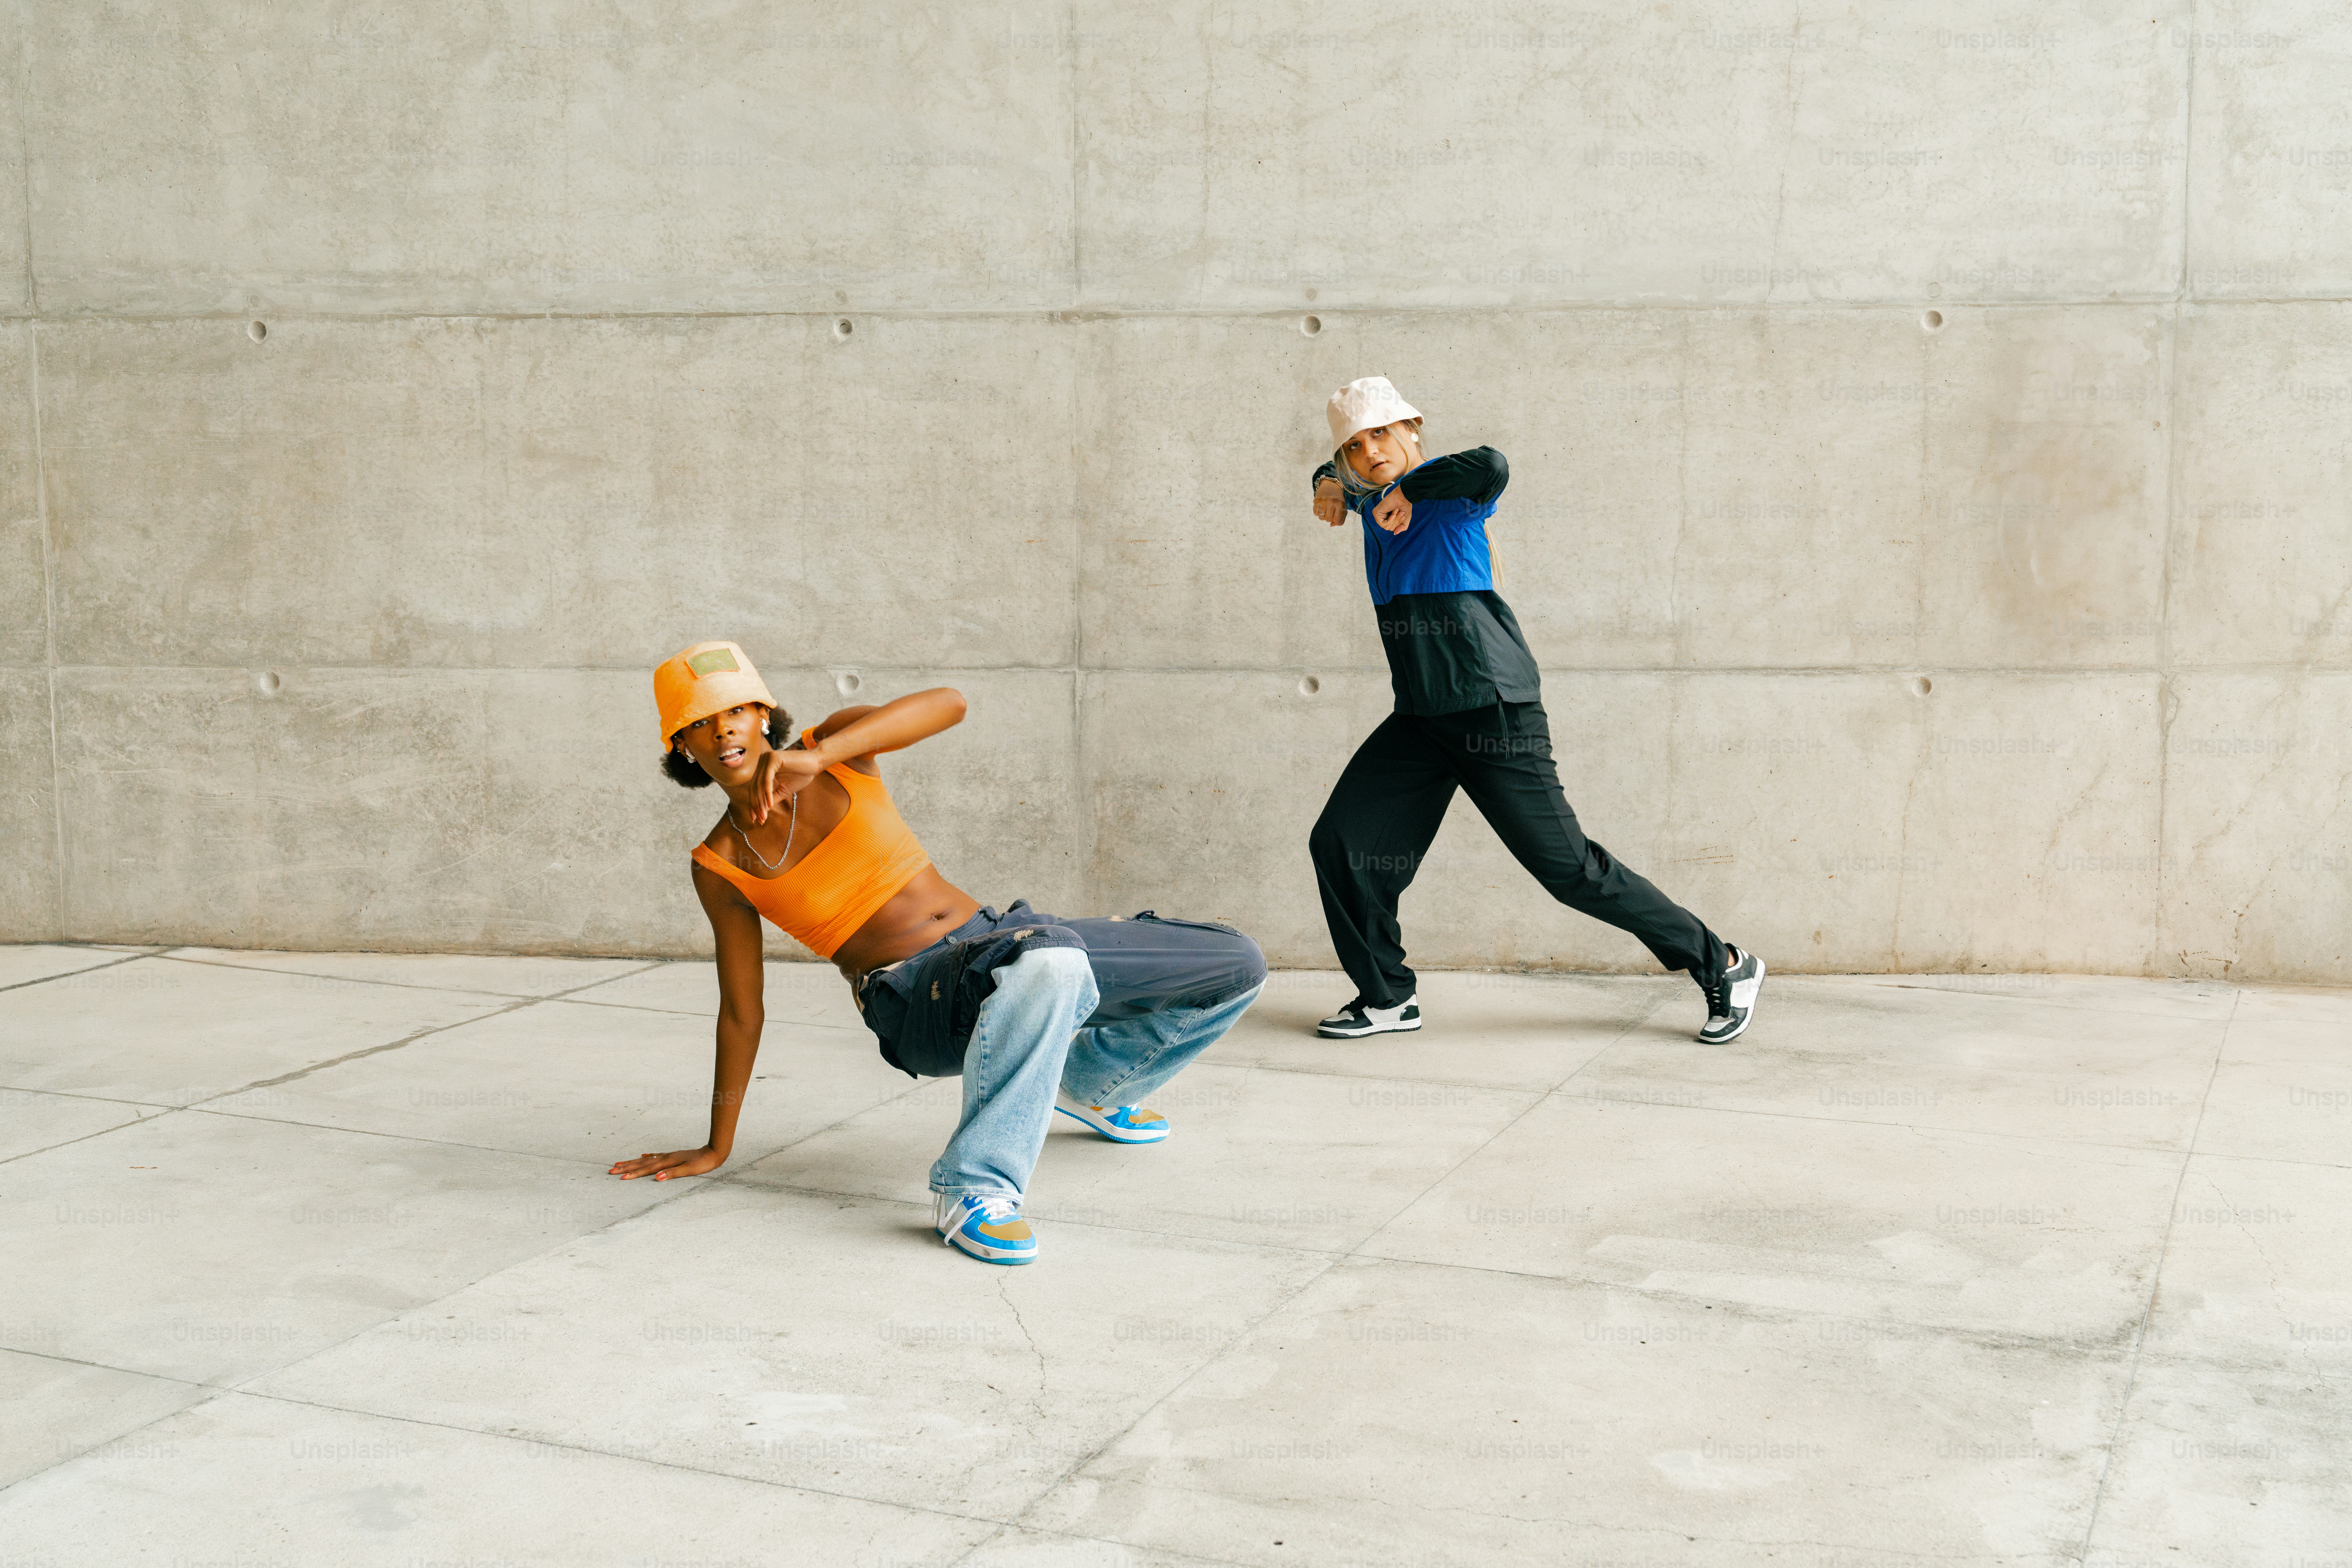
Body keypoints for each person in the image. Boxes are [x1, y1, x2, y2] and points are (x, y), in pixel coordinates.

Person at [609, 640, 1266, 1265]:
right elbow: (741, 1012)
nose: (724, 731)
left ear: (762, 716)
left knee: (1235, 962)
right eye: (701, 723)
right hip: (913, 999)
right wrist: (717, 1144)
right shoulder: (719, 864)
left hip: (1002, 939)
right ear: (684, 748)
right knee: (1051, 960)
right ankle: (972, 1188)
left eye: (735, 711)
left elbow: (950, 703)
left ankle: (1093, 1082)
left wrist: (821, 755)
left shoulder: (835, 752)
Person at [1304, 376, 1764, 1043]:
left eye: (1381, 433)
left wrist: (1405, 490)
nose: (1370, 450)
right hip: (1422, 719)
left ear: (1412, 432)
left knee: (1570, 871)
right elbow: (1335, 474)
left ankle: (1723, 961)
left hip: (1492, 709)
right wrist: (1325, 480)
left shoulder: (1450, 493)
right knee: (1342, 843)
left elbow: (1491, 463)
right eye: (1354, 445)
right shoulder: (1362, 494)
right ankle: (1386, 998)